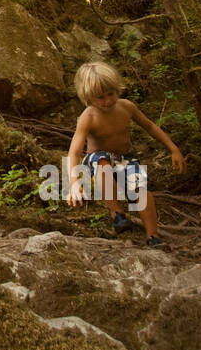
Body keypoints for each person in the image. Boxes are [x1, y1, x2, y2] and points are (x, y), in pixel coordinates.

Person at [66, 61, 186, 249]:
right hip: (97, 157)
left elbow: (150, 126)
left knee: (143, 192)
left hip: (126, 158)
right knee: (102, 163)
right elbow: (74, 151)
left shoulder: (126, 107)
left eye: (110, 94)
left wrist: (173, 149)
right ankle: (117, 214)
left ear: (117, 90)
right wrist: (74, 182)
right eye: (100, 97)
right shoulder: (88, 117)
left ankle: (153, 237)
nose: (107, 101)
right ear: (88, 97)